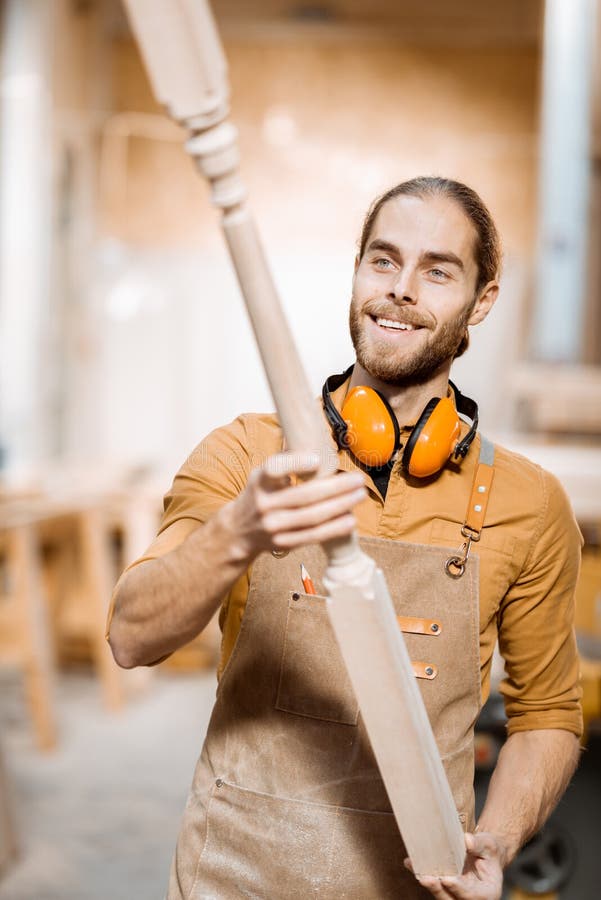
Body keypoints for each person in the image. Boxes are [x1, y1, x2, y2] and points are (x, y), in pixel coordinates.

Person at [106, 176, 582, 900]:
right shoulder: (247, 453)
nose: (400, 289)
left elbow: (547, 715)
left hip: (417, 886)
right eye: (383, 260)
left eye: (437, 271)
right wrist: (238, 532)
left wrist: (500, 837)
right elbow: (130, 637)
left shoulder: (530, 503)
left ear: (481, 301)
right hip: (229, 879)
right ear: (357, 271)